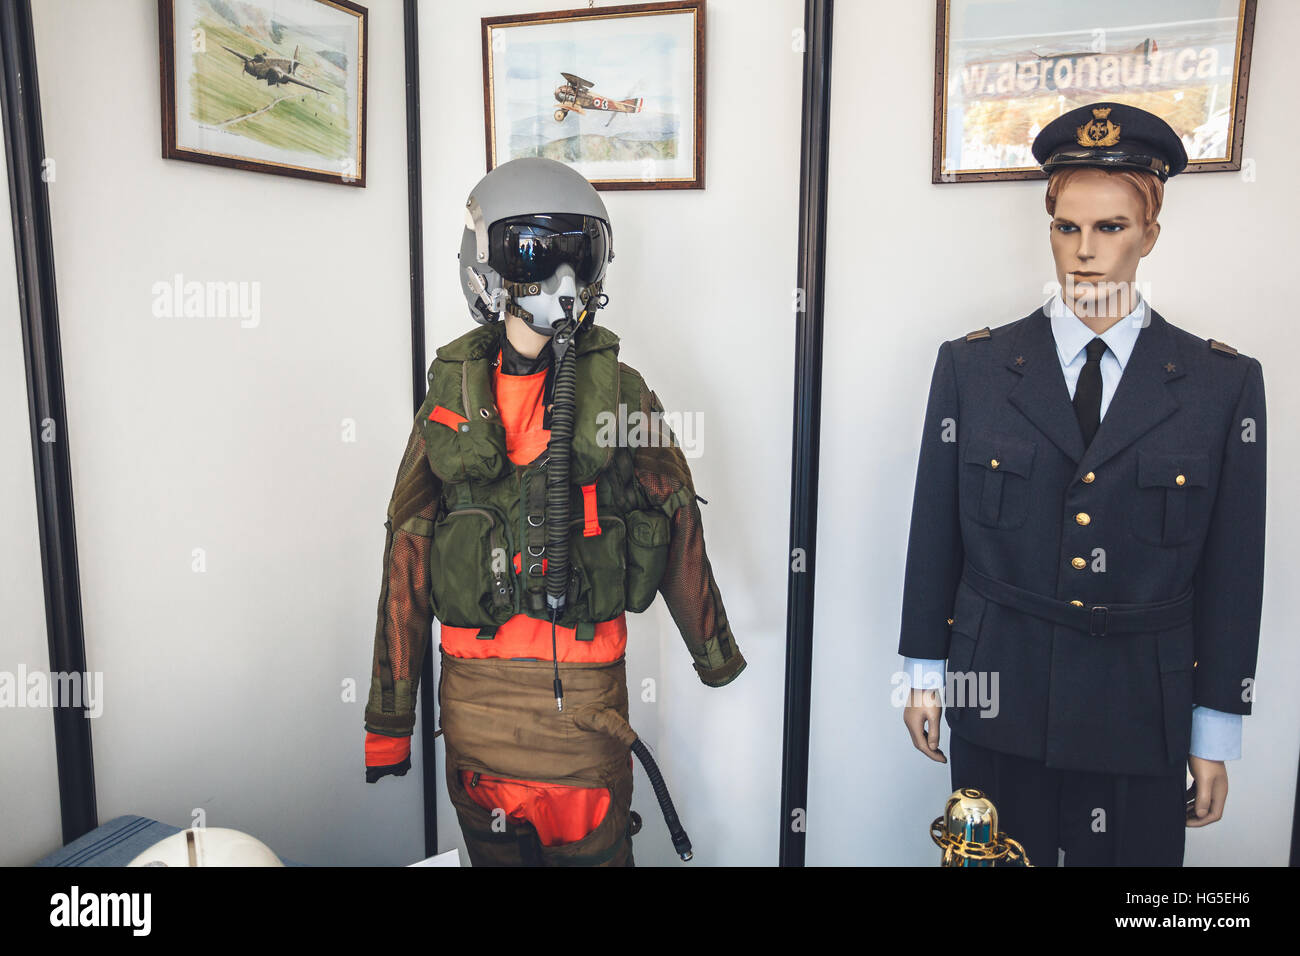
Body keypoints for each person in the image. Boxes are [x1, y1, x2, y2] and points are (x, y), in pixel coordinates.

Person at [898, 103, 1266, 866]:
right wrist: (923, 676)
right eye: (1067, 227)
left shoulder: (1219, 386)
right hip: (997, 699)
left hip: (1140, 713)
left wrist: (1214, 732)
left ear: (1150, 234)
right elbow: (934, 533)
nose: (1085, 251)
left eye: (1111, 227)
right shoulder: (973, 369)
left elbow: (1234, 575)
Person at [361, 157, 745, 866]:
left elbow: (677, 518)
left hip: (584, 717)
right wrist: (389, 720)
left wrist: (711, 651)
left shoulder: (621, 394)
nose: (561, 281)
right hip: (479, 716)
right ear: (485, 268)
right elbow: (407, 551)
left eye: (578, 255)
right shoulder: (449, 405)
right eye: (535, 255)